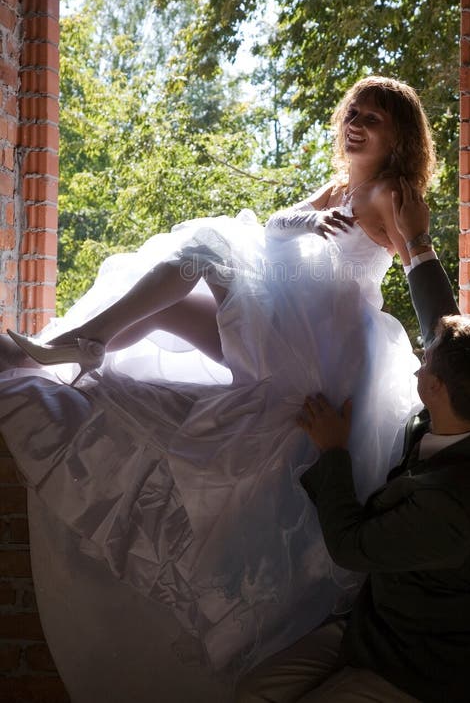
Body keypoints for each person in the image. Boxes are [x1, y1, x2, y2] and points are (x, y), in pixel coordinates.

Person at [0, 76, 434, 679]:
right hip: (283, 331)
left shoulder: (392, 193)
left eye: (375, 117)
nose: (355, 121)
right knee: (175, 299)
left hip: (318, 354)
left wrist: (443, 340)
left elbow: (421, 262)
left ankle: (85, 343)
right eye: (353, 110)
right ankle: (80, 348)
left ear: (400, 136)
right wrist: (311, 223)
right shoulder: (342, 186)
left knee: (201, 253)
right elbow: (277, 226)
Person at [236, 180, 470, 703]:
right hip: (373, 627)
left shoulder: (457, 508)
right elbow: (442, 326)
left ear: (433, 387)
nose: (419, 353)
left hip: (426, 668)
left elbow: (350, 548)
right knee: (251, 692)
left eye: (426, 358)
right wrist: (418, 243)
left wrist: (333, 451)